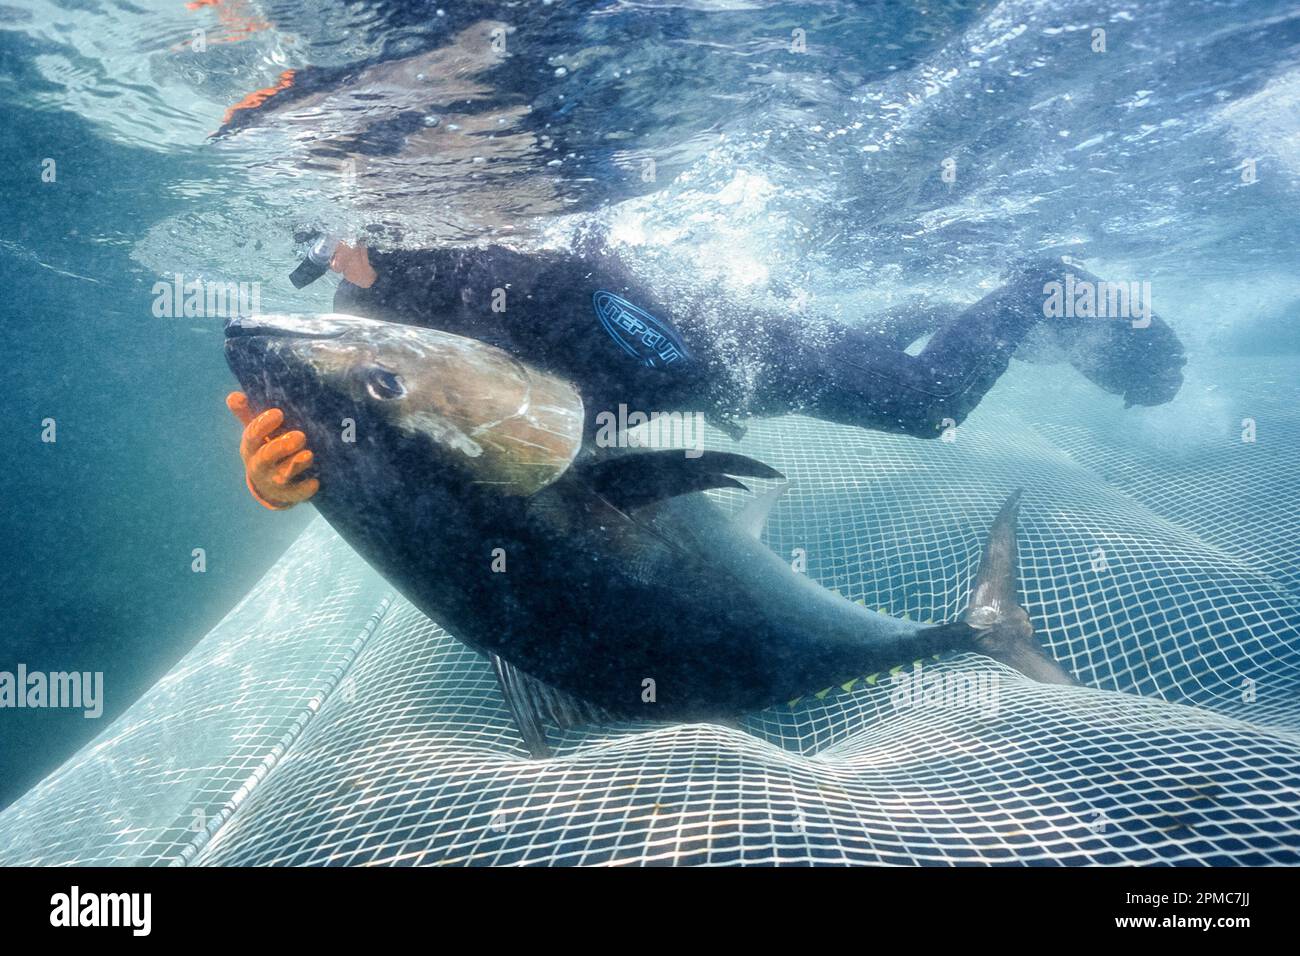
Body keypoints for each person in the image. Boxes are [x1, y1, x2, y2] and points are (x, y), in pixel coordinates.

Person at [228, 239, 1186, 509]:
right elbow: (394, 416)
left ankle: (1037, 286)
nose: (334, 260)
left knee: (930, 406)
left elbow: (643, 349)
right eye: (326, 253)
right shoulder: (372, 320)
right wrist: (283, 478)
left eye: (344, 248)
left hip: (734, 354)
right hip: (722, 362)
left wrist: (609, 435)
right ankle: (949, 311)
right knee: (859, 356)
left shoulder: (483, 273)